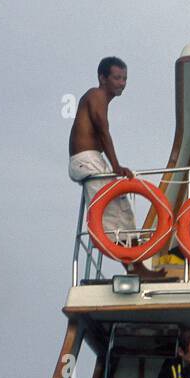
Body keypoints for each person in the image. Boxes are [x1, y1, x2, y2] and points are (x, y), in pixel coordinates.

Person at [68, 56, 138, 245]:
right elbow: (102, 131)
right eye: (117, 78)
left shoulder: (100, 98)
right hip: (87, 159)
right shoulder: (96, 95)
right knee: (113, 212)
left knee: (121, 207)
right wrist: (116, 165)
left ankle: (135, 264)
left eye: (124, 79)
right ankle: (134, 263)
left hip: (92, 159)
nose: (122, 83)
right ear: (102, 78)